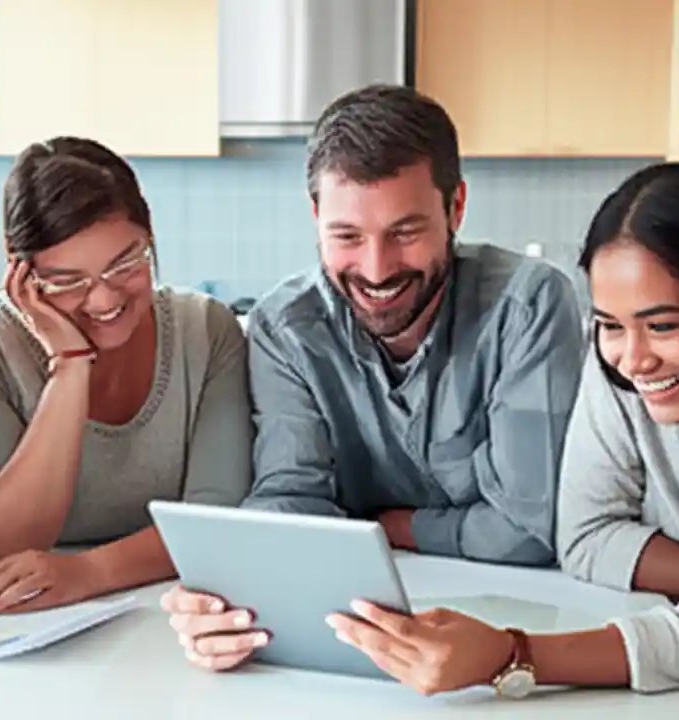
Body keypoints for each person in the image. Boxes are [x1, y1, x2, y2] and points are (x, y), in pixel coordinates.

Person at [323, 162, 679, 719]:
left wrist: (509, 655)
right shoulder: (624, 365)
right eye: (611, 324)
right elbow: (586, 537)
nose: (633, 359)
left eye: (663, 325)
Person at [162, 83, 585, 670]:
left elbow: (527, 529)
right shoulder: (284, 327)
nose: (377, 269)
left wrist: (384, 528)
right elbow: (288, 498)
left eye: (405, 232)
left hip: (516, 617)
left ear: (456, 208)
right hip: (347, 621)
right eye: (347, 237)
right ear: (316, 217)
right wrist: (227, 599)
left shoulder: (528, 305)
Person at [0, 137, 252, 614]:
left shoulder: (206, 330)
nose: (104, 300)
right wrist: (70, 365)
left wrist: (88, 573)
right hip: (10, 612)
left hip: (151, 601)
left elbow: (214, 522)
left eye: (126, 263)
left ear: (149, 236)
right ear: (19, 270)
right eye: (67, 280)